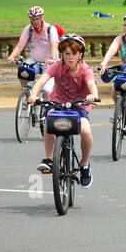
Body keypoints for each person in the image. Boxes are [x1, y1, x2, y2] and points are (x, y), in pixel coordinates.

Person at [29, 33, 99, 184]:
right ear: (61, 54)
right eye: (67, 54)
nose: (71, 57)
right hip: (58, 103)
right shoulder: (57, 66)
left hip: (79, 105)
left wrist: (93, 94)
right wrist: (33, 95)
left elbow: (91, 84)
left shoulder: (85, 69)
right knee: (49, 124)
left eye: (74, 53)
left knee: (86, 131)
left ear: (81, 54)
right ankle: (49, 159)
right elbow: (41, 81)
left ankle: (85, 164)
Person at [97, 11, 126, 150]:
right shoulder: (121, 39)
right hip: (123, 73)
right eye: (125, 25)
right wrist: (104, 63)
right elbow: (111, 50)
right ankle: (117, 110)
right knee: (114, 89)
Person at [5, 7, 61, 102]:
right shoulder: (28, 29)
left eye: (37, 19)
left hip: (50, 63)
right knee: (23, 71)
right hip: (35, 61)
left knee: (47, 91)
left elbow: (54, 45)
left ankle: (46, 112)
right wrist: (12, 56)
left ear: (42, 17)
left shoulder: (50, 29)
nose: (35, 22)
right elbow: (20, 45)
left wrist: (52, 58)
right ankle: (27, 95)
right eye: (32, 19)